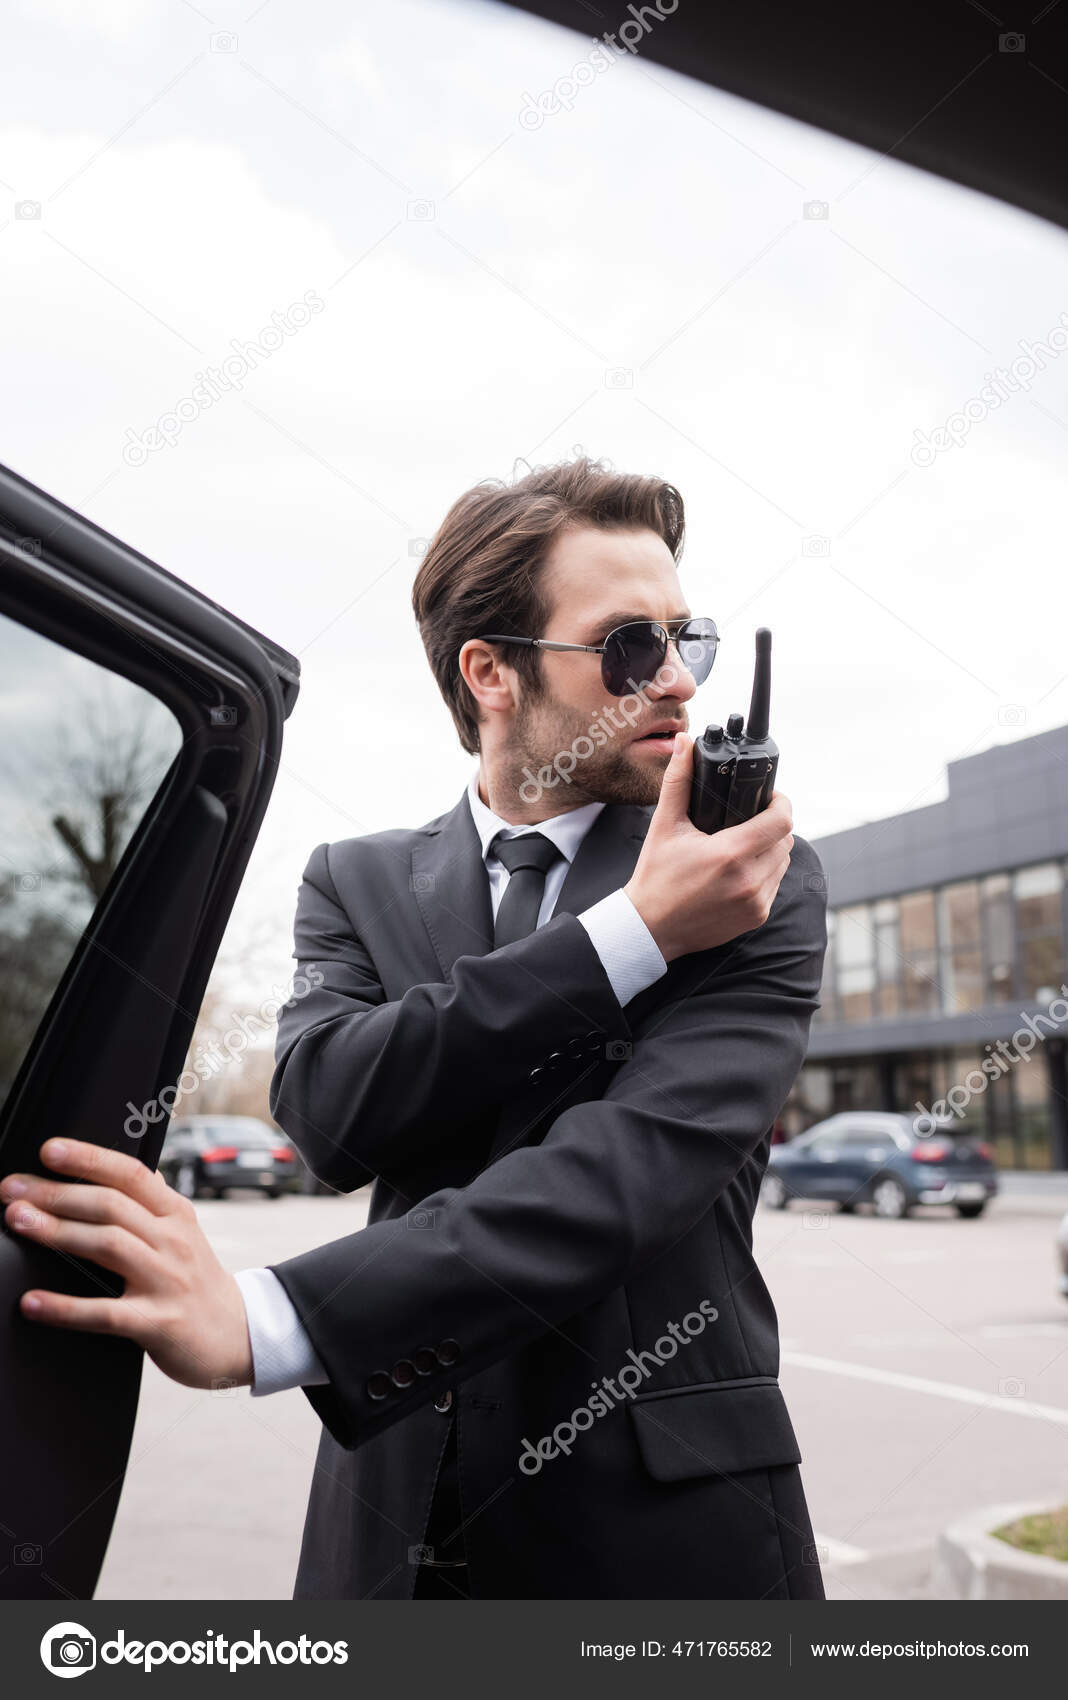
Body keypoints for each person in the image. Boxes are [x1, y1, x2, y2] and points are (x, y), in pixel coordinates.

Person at [0, 457, 828, 1603]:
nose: (679, 681)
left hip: (664, 1548)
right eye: (632, 645)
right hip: (387, 1535)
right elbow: (333, 1112)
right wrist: (628, 936)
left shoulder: (753, 879)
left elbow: (622, 1176)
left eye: (693, 640)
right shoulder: (354, 880)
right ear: (490, 671)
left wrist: (269, 1314)